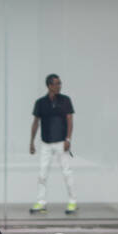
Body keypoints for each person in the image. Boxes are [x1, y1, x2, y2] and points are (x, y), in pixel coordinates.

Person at [29, 74, 76, 214]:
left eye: (60, 83)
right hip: (46, 143)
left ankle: (73, 201)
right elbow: (36, 122)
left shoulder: (65, 100)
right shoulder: (41, 102)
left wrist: (68, 139)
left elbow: (70, 120)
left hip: (61, 142)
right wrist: (31, 142)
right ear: (49, 85)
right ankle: (41, 202)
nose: (59, 86)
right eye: (56, 83)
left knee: (67, 172)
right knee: (42, 173)